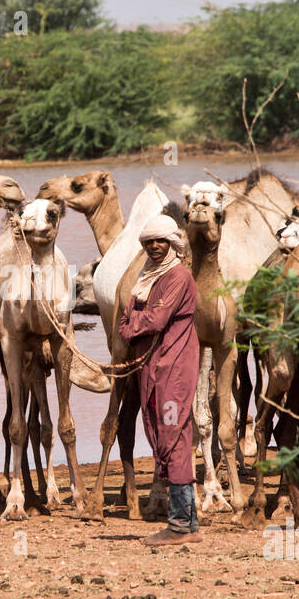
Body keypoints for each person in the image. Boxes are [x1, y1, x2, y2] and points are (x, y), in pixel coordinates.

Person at [117, 214, 201, 545]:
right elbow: (131, 314)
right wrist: (132, 319)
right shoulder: (149, 278)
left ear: (172, 244)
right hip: (156, 368)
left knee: (172, 435)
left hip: (173, 370)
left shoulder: (176, 276)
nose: (154, 246)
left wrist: (129, 324)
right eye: (148, 242)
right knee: (166, 433)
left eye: (160, 241)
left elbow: (153, 319)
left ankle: (178, 525)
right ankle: (189, 524)